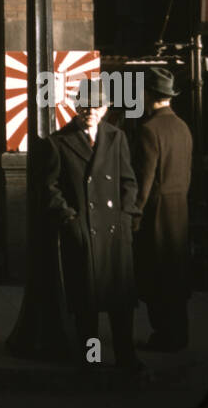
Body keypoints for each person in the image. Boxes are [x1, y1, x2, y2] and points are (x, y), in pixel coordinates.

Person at [46, 77, 142, 371]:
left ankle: (126, 358)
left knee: (120, 303)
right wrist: (70, 219)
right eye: (85, 105)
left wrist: (126, 217)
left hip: (114, 233)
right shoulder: (59, 141)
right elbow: (50, 188)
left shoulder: (116, 138)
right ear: (77, 107)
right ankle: (92, 359)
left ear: (106, 108)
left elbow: (129, 182)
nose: (91, 111)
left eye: (97, 105)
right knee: (86, 306)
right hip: (83, 231)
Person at [132, 67, 193, 351]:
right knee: (176, 274)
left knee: (156, 276)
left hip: (156, 213)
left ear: (149, 95)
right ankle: (179, 333)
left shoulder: (148, 130)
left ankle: (164, 335)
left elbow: (145, 182)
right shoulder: (183, 127)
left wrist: (135, 217)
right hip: (179, 211)